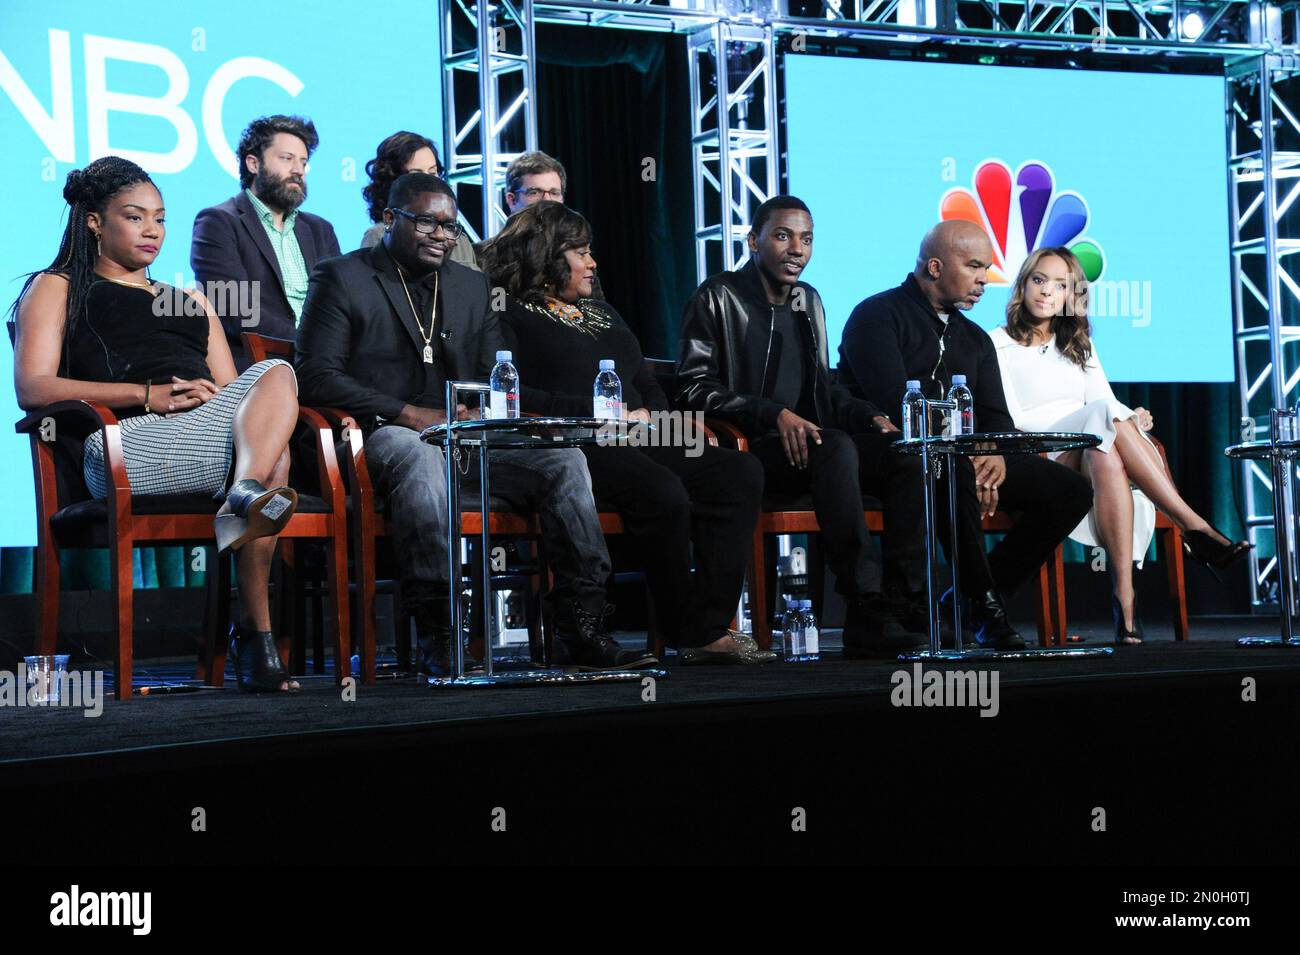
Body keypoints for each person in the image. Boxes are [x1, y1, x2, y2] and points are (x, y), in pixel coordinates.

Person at [294, 173, 655, 674]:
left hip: (465, 439)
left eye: (449, 226)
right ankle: (441, 631)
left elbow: (493, 374)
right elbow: (314, 376)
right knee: (419, 455)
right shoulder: (342, 276)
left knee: (564, 460)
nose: (441, 235)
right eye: (427, 223)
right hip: (381, 433)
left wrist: (481, 408)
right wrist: (408, 412)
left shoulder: (470, 284)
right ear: (389, 218)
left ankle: (582, 622)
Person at [11, 157, 302, 693]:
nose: (152, 231)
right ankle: (254, 633)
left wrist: (207, 401)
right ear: (95, 221)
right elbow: (34, 387)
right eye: (135, 216)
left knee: (273, 395)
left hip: (205, 440)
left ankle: (244, 500)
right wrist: (149, 395)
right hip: (123, 445)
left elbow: (237, 391)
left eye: (161, 219)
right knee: (271, 454)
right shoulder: (57, 287)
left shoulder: (191, 301)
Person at [481, 201, 772, 664]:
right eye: (580, 252)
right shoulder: (508, 311)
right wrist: (600, 413)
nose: (592, 262)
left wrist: (653, 414)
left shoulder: (602, 311)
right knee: (662, 490)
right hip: (572, 440)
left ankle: (709, 623)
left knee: (738, 472)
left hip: (639, 432)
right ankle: (682, 626)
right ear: (545, 255)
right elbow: (513, 392)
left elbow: (645, 379)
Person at [676, 195, 935, 657]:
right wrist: (770, 413)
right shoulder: (717, 296)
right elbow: (693, 388)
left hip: (814, 446)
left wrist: (867, 415)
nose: (796, 248)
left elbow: (823, 387)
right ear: (753, 241)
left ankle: (901, 604)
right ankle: (864, 602)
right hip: (749, 451)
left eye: (806, 239)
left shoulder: (807, 300)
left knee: (906, 455)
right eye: (782, 236)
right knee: (835, 447)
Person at [839, 220, 1094, 649]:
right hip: (886, 455)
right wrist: (969, 451)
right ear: (935, 267)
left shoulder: (974, 338)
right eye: (975, 266)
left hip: (960, 458)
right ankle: (979, 605)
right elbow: (895, 406)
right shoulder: (877, 315)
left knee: (1069, 491)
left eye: (988, 269)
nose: (984, 280)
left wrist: (992, 454)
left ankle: (967, 601)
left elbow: (996, 418)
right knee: (945, 462)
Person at [993, 247, 1250, 643]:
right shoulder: (998, 343)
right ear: (1023, 284)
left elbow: (1105, 399)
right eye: (1038, 280)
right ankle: (1193, 526)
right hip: (1041, 454)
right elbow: (1012, 419)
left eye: (1059, 285)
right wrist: (1117, 417)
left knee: (1107, 451)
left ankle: (1125, 604)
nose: (1046, 292)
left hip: (1089, 445)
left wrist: (1133, 417)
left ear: (1070, 295)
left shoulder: (1079, 344)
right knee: (1106, 419)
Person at [191, 115, 341, 369]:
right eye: (287, 158)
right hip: (259, 366)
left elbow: (340, 305)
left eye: (303, 162)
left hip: (323, 368)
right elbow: (236, 310)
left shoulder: (321, 230)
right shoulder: (218, 222)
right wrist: (312, 346)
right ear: (253, 163)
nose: (298, 170)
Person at [357, 131, 478, 269]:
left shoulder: (459, 240)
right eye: (417, 174)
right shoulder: (378, 236)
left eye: (433, 173)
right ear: (393, 181)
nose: (429, 181)